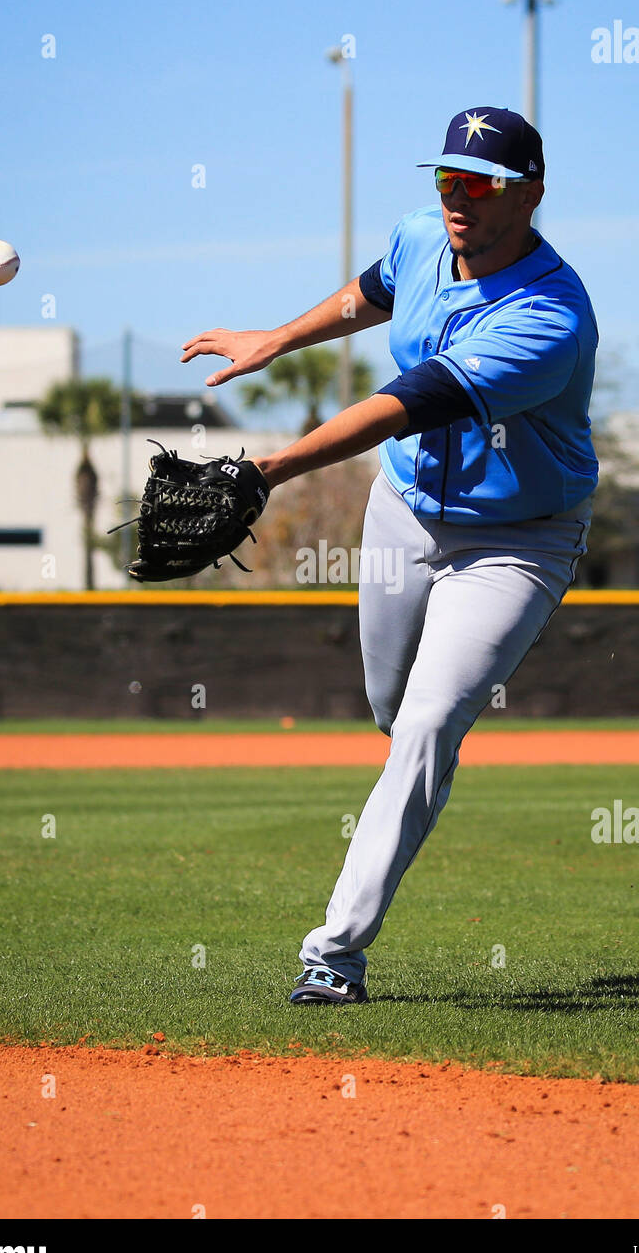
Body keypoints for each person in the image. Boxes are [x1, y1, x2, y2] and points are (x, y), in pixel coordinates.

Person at [181, 106, 599, 1004]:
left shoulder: (547, 317)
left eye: (481, 183)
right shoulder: (423, 235)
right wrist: (275, 339)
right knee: (390, 710)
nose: (458, 197)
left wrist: (275, 468)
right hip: (404, 512)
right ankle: (423, 761)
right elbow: (372, 293)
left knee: (424, 726)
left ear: (530, 193)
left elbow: (410, 401)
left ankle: (334, 956)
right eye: (448, 177)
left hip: (515, 541)